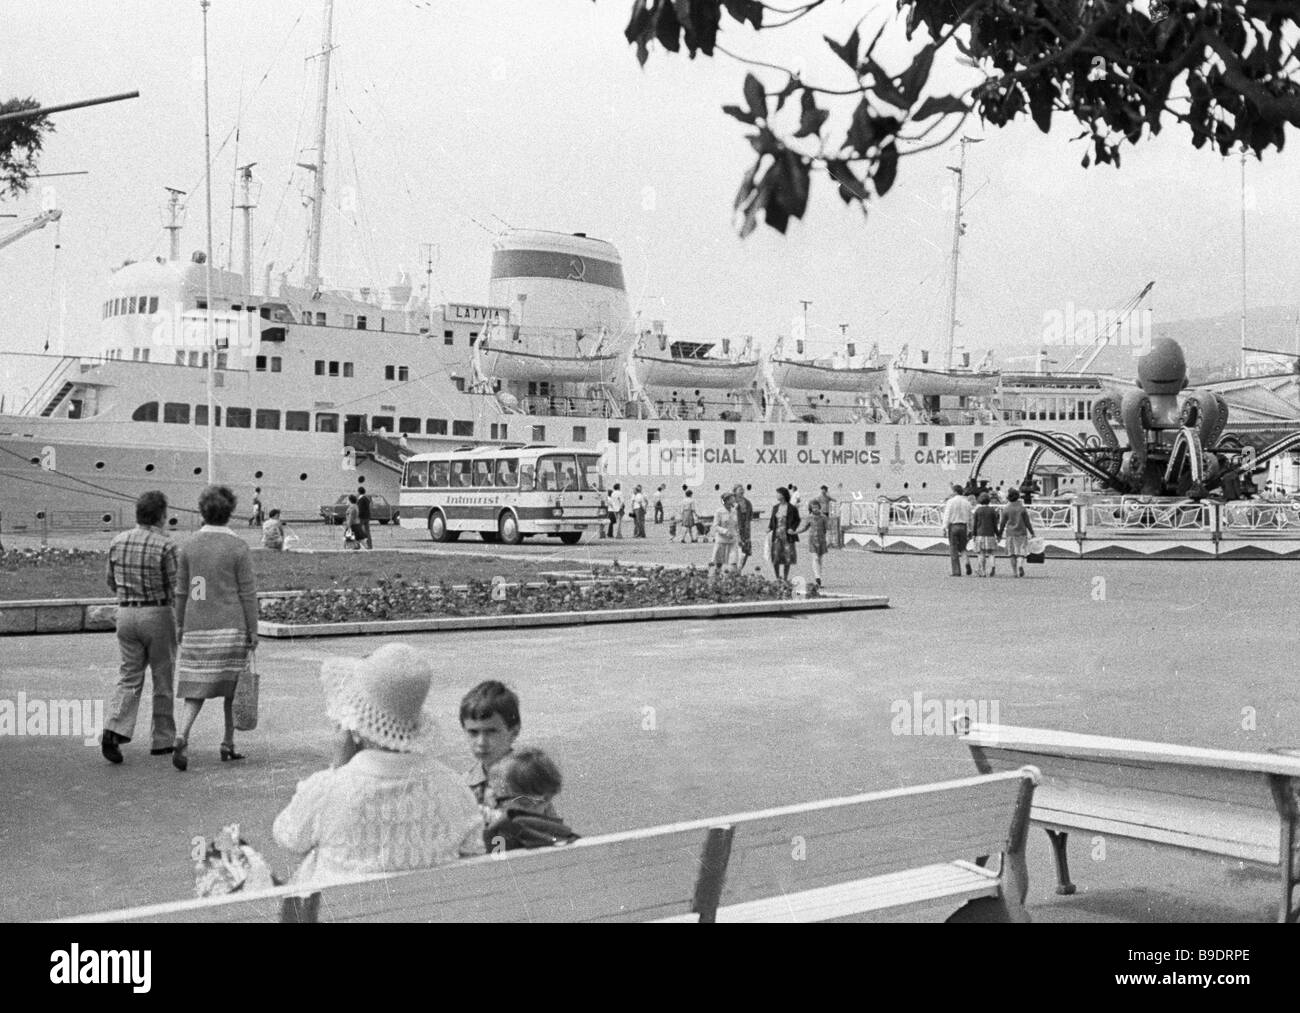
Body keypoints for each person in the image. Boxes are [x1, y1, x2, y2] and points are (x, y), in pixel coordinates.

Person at [273, 643, 484, 885]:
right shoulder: (454, 788)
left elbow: (288, 837)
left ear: (354, 723)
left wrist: (337, 770)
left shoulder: (328, 789)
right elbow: (475, 848)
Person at [172, 485, 259, 771]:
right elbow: (247, 593)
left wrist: (180, 624)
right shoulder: (238, 547)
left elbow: (182, 591)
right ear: (230, 512)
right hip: (231, 627)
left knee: (195, 689)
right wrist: (253, 630)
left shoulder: (189, 546)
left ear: (202, 512)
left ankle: (182, 734)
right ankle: (227, 742)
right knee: (231, 689)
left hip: (196, 626)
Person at [100, 490, 178, 764]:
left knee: (129, 676)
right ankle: (162, 739)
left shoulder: (118, 541)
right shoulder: (166, 545)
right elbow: (176, 583)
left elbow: (110, 581)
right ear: (161, 515)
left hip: (125, 614)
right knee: (162, 677)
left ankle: (114, 728)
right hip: (157, 613)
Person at [483, 748, 580, 853]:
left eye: (499, 800)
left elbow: (496, 861)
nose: (494, 805)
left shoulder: (508, 830)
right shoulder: (555, 832)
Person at [460, 679, 522, 820]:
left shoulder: (528, 776)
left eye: (491, 731)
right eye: (473, 732)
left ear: (513, 732)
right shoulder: (465, 784)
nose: (481, 742)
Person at [997, 486, 1036, 578]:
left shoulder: (1006, 509)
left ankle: (1014, 572)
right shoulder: (1022, 508)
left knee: (1012, 554)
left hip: (1010, 534)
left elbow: (1002, 523)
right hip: (1022, 533)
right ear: (1018, 497)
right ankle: (1020, 565)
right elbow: (1027, 522)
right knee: (1021, 553)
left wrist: (999, 534)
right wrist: (1032, 532)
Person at [768, 486, 800, 581]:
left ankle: (785, 577)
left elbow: (797, 520)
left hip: (787, 535)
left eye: (778, 493)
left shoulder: (791, 508)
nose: (777, 495)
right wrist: (769, 528)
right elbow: (772, 520)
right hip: (777, 535)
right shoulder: (775, 507)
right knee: (776, 557)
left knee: (787, 557)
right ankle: (777, 577)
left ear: (783, 495)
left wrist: (792, 528)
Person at [941, 484, 974, 577]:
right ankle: (966, 562)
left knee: (953, 548)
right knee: (963, 547)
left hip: (953, 526)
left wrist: (944, 528)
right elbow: (971, 517)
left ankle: (956, 571)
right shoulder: (967, 502)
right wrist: (970, 529)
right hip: (963, 526)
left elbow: (947, 515)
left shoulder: (951, 502)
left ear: (955, 492)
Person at [797, 498, 829, 588]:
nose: (815, 509)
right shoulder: (809, 517)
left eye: (816, 507)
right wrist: (795, 533)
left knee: (820, 559)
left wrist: (829, 539)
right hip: (812, 540)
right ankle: (817, 578)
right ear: (810, 509)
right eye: (813, 507)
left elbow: (827, 528)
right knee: (815, 558)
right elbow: (804, 528)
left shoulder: (823, 517)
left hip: (822, 540)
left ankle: (819, 577)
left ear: (819, 507)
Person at [970, 492, 1000, 577]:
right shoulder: (992, 510)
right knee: (991, 553)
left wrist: (974, 534)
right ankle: (992, 566)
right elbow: (995, 524)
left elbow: (975, 524)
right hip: (990, 534)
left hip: (980, 534)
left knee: (981, 553)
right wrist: (998, 534)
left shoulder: (977, 510)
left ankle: (982, 571)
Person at [710, 492, 739, 575]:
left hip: (732, 541)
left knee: (733, 562)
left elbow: (737, 525)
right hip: (721, 541)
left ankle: (733, 579)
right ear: (726, 500)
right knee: (717, 564)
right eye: (731, 498)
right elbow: (715, 526)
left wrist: (739, 535)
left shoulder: (734, 511)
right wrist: (725, 531)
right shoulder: (719, 511)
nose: (733, 500)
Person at [732, 483, 754, 573]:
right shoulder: (731, 501)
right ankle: (735, 570)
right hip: (735, 528)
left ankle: (739, 569)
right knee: (735, 550)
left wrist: (748, 526)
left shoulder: (747, 502)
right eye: (739, 489)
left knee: (746, 551)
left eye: (742, 489)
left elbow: (750, 517)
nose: (742, 490)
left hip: (746, 529)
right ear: (735, 491)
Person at [356, 485, 373, 549]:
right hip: (367, 517)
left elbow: (360, 509)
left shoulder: (361, 499)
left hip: (361, 517)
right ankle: (369, 545)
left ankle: (357, 545)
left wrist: (357, 516)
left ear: (359, 492)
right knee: (367, 532)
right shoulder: (366, 499)